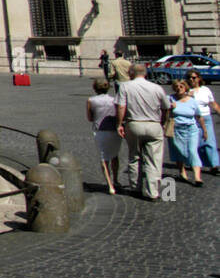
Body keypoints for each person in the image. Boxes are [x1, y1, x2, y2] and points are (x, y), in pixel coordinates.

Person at [115, 63, 169, 200]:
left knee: (134, 156)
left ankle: (135, 187)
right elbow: (166, 107)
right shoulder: (157, 87)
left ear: (131, 73)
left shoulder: (125, 86)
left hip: (134, 124)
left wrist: (119, 124)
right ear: (145, 73)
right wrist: (163, 122)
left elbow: (121, 107)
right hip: (154, 124)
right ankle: (153, 192)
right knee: (154, 159)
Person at [167, 78, 204, 187]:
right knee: (179, 151)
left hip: (191, 129)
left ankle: (197, 177)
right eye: (176, 87)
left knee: (192, 151)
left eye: (181, 86)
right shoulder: (170, 99)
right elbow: (162, 113)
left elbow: (198, 116)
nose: (179, 89)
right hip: (176, 129)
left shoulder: (192, 101)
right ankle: (182, 171)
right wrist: (170, 108)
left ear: (185, 87)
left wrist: (205, 131)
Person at [86, 79, 120, 193]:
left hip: (100, 130)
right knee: (114, 155)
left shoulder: (91, 100)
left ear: (95, 88)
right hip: (114, 129)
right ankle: (116, 179)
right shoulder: (114, 100)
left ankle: (110, 184)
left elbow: (90, 118)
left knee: (103, 157)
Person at [186, 70, 220, 175]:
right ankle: (196, 163)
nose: (192, 80)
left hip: (206, 118)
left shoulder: (205, 90)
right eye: (190, 78)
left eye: (194, 77)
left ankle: (214, 165)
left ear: (199, 78)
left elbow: (213, 104)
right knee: (195, 143)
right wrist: (188, 96)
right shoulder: (186, 91)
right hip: (192, 119)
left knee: (210, 142)